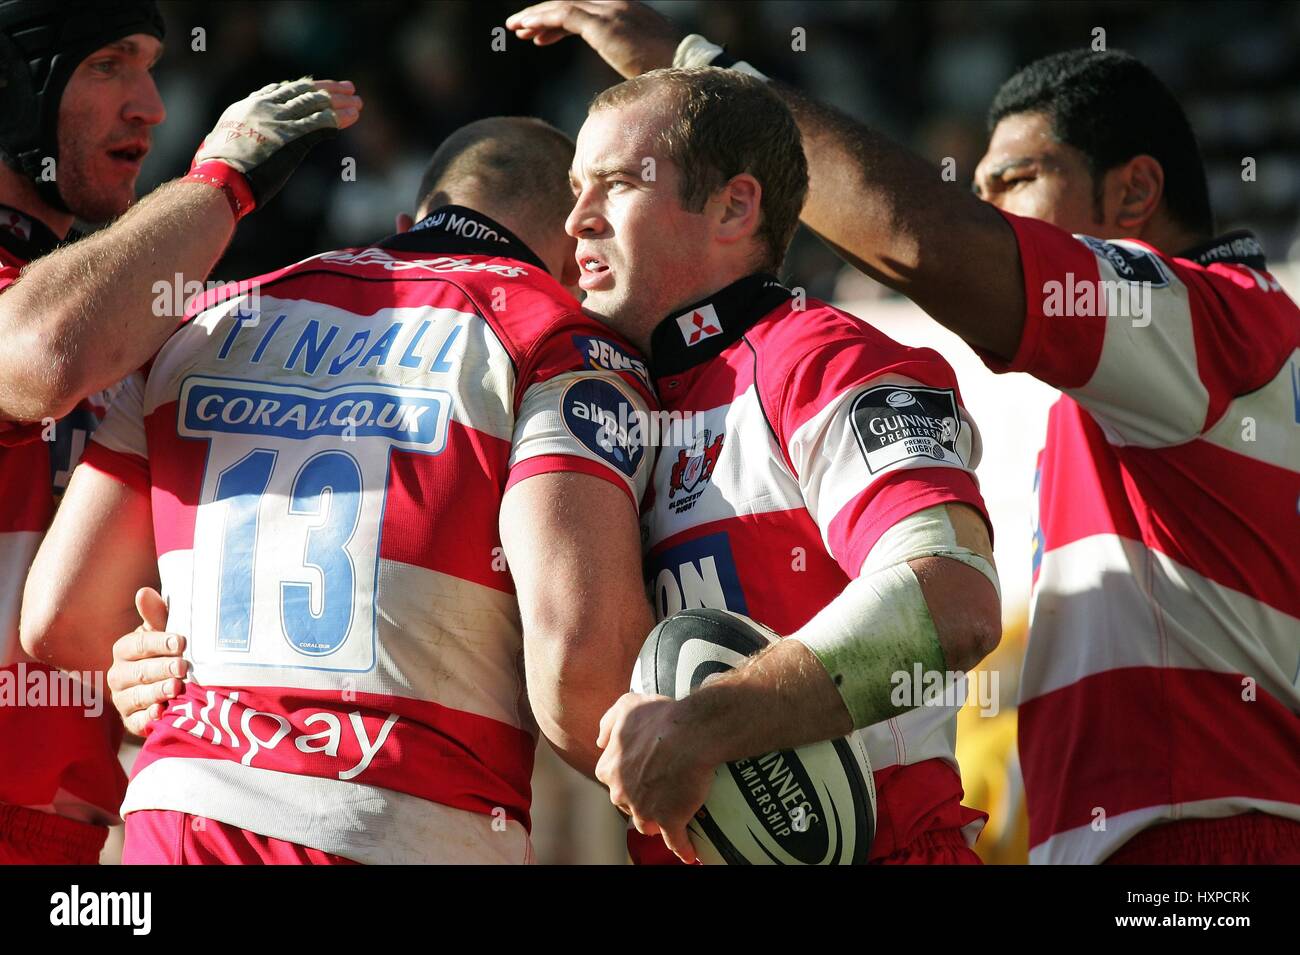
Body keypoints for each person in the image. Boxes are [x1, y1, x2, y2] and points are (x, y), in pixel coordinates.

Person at [508, 0, 1300, 864]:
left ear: (1135, 192)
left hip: (1208, 843)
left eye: (1012, 187)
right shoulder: (1132, 409)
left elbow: (931, 239)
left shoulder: (1214, 323)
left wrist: (702, 68)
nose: (986, 211)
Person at [21, 116, 656, 864]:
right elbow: (577, 655)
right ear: (581, 246)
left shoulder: (205, 319)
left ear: (404, 223)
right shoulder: (559, 340)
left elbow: (60, 620)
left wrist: (144, 662)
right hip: (403, 823)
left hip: (181, 814)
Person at [518, 47, 1003, 862]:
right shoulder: (608, 407)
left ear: (735, 209)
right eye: (575, 191)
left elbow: (953, 596)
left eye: (618, 183)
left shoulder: (823, 356)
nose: (579, 222)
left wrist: (702, 724)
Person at [0, 0, 359, 865]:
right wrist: (224, 182)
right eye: (109, 63)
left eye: (152, 64)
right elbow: (38, 354)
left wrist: (138, 660)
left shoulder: (117, 325)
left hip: (69, 836)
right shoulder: (57, 323)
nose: (151, 104)